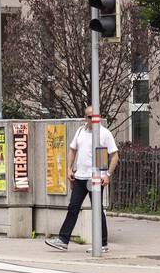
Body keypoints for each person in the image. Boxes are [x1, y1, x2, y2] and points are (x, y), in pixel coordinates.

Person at [46, 106, 119, 251]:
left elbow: (115, 155)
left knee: (97, 209)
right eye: (90, 117)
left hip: (96, 177)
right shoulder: (80, 131)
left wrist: (108, 175)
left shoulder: (104, 134)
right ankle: (63, 240)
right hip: (80, 176)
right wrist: (68, 168)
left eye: (95, 116)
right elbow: (72, 150)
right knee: (73, 207)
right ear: (85, 118)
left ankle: (102, 244)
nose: (93, 120)